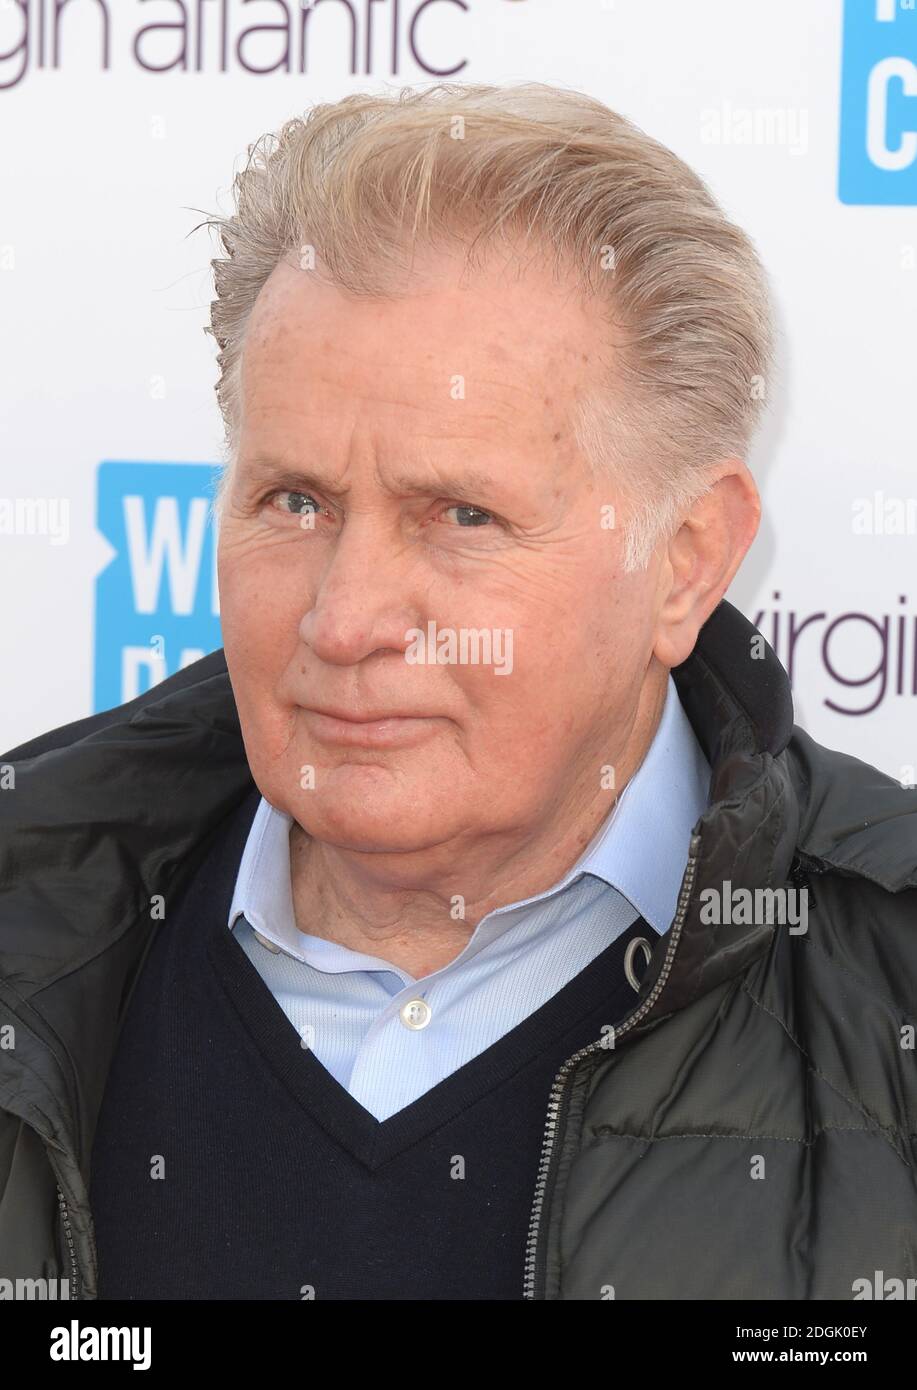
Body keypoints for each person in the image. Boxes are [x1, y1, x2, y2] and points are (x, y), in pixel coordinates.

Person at [1, 82, 915, 1302]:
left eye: (461, 515)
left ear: (685, 560)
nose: (343, 619)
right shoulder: (28, 905)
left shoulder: (886, 991)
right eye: (294, 501)